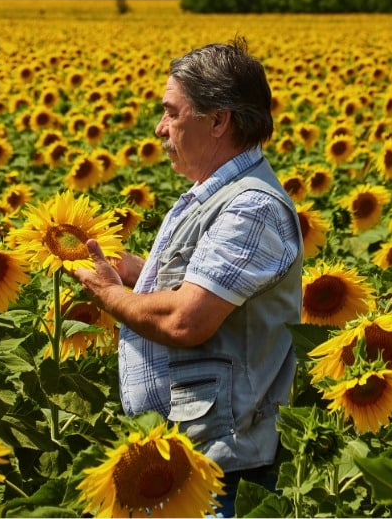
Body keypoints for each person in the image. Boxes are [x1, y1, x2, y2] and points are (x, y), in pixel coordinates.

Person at [69, 37, 303, 517]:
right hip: (188, 457)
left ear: (219, 121)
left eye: (172, 113)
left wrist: (111, 294)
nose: (159, 129)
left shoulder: (250, 205)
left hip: (224, 470)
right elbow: (193, 285)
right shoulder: (214, 193)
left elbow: (186, 321)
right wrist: (132, 273)